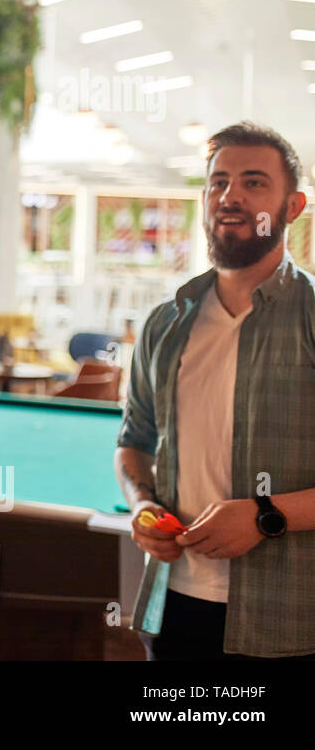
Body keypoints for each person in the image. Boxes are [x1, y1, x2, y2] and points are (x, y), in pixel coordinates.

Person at [115, 121, 315, 660]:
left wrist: (263, 515)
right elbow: (133, 439)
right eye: (219, 182)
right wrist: (141, 507)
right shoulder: (164, 323)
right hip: (173, 605)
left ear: (292, 206)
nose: (231, 196)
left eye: (253, 183)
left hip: (291, 618)